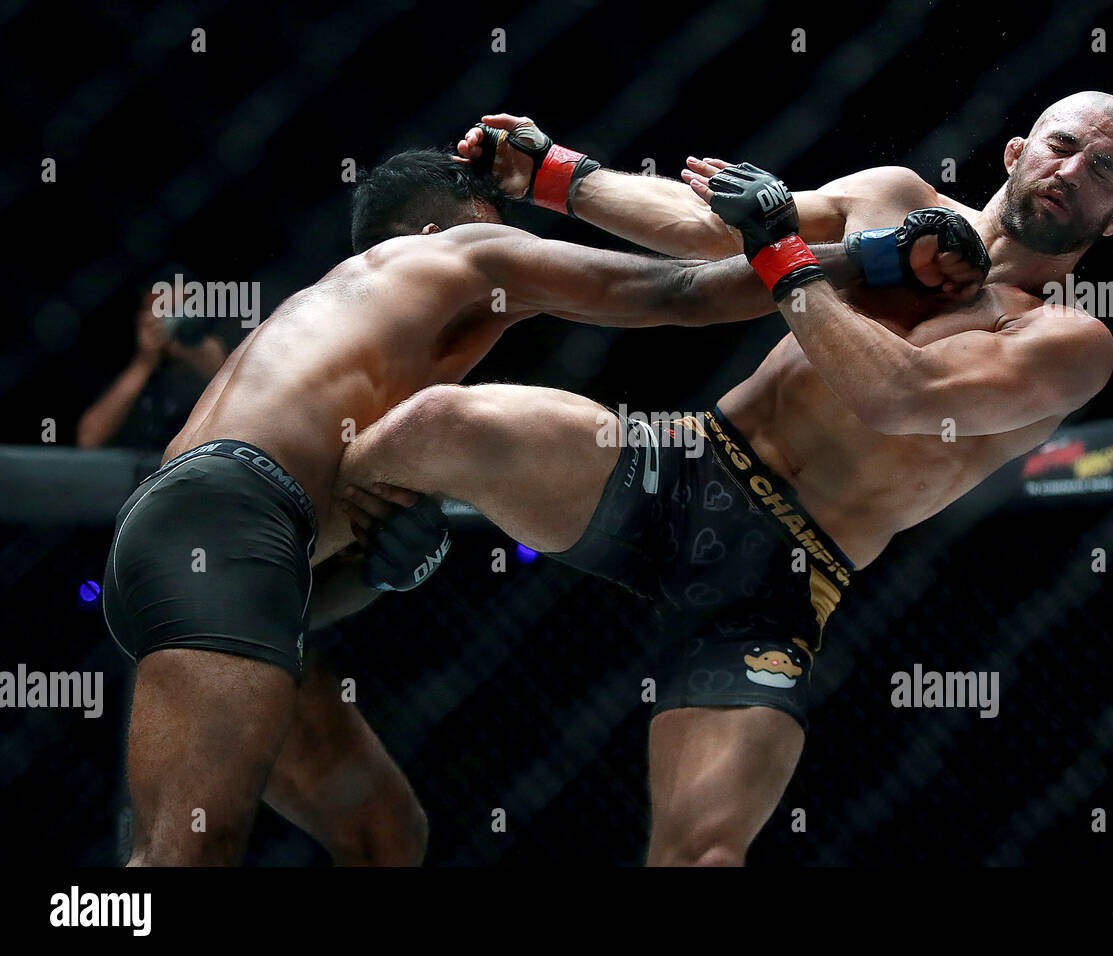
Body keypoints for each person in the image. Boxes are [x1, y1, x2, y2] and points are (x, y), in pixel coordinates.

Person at [337, 91, 1113, 864]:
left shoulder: (1071, 341)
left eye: (1103, 170)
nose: (1072, 171)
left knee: (704, 852)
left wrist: (783, 253)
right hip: (686, 465)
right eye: (1063, 145)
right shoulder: (894, 199)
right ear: (1019, 150)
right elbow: (706, 230)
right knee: (433, 424)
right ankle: (272, 570)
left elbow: (901, 395)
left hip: (782, 578)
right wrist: (553, 171)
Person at [101, 146, 805, 866]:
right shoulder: (461, 249)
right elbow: (686, 291)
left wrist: (377, 574)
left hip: (204, 547)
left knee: (385, 837)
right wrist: (855, 257)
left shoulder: (349, 348)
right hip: (228, 522)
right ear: (462, 221)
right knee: (183, 860)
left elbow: (294, 599)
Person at [77, 281, 227, 450]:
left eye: (180, 313)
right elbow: (88, 439)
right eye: (162, 314)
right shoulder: (124, 364)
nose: (173, 322)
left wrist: (200, 354)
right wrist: (144, 363)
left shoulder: (211, 352)